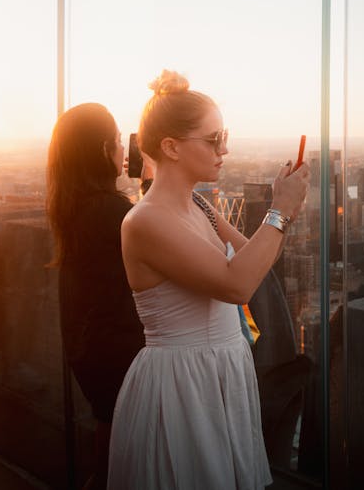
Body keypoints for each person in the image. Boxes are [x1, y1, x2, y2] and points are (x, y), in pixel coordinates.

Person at [107, 70, 309, 489]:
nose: (225, 149)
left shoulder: (199, 206)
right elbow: (237, 285)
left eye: (224, 137)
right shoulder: (144, 222)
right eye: (214, 139)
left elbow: (257, 260)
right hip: (182, 386)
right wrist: (279, 211)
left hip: (221, 373)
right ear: (171, 147)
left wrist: (283, 208)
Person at [46, 102, 147, 489]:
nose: (123, 150)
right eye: (119, 141)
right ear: (104, 150)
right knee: (122, 464)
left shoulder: (74, 208)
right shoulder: (113, 212)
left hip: (91, 350)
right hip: (120, 353)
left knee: (109, 452)